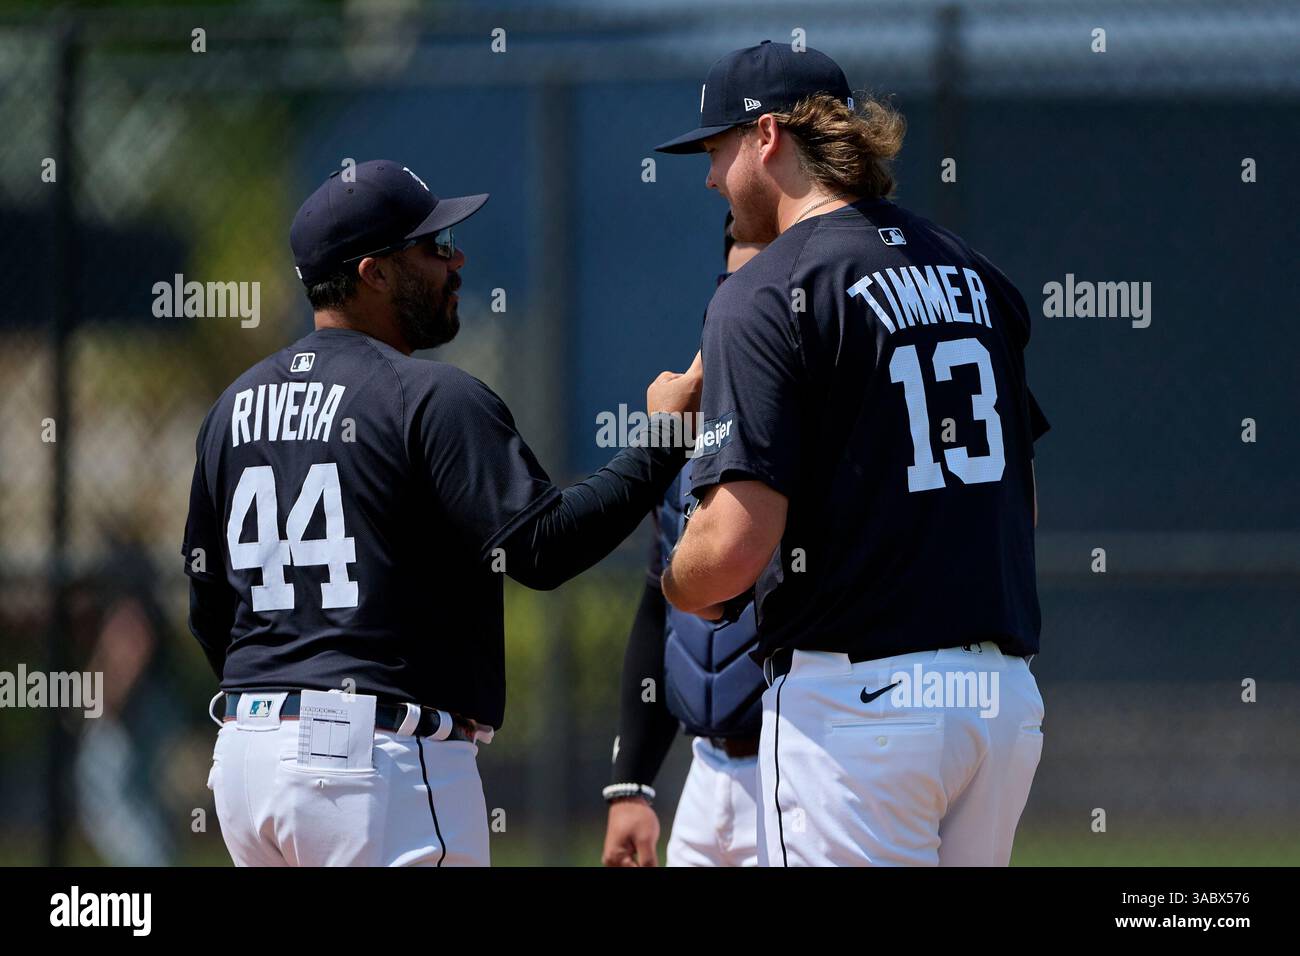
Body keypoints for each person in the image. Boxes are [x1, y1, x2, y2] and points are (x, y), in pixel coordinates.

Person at [182, 159, 700, 867]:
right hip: (371, 764)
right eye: (433, 247)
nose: (456, 260)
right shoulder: (428, 397)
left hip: (246, 762)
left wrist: (285, 705)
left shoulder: (231, 409)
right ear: (375, 274)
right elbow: (544, 548)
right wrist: (664, 441)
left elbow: (212, 609)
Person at [655, 42, 1050, 866]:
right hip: (998, 701)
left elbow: (729, 553)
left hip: (860, 713)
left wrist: (677, 570)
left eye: (716, 149)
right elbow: (1022, 495)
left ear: (767, 137)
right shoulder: (973, 271)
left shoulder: (761, 293)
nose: (708, 177)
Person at [602, 214, 768, 867]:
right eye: (733, 283)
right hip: (705, 779)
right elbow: (659, 608)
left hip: (803, 764)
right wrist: (631, 783)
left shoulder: (832, 424)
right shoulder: (690, 418)